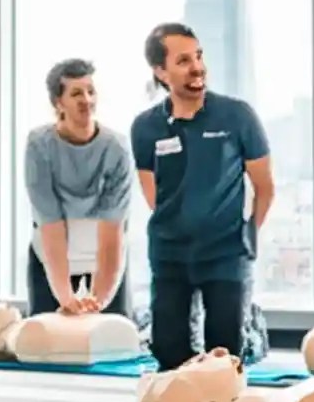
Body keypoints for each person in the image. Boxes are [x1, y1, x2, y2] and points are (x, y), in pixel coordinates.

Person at [130, 22, 274, 371]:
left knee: (225, 355)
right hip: (170, 254)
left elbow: (264, 187)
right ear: (160, 71)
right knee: (167, 351)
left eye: (198, 56)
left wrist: (245, 234)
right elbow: (154, 195)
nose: (197, 67)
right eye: (183, 61)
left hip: (226, 253)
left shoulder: (237, 116)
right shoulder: (146, 127)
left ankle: (251, 332)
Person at [24, 58, 134, 317]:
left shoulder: (116, 149)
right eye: (76, 93)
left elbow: (112, 231)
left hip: (103, 251)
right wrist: (65, 297)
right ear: (58, 102)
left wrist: (99, 300)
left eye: (90, 91)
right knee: (45, 335)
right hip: (52, 250)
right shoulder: (40, 146)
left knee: (113, 334)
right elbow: (50, 225)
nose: (86, 99)